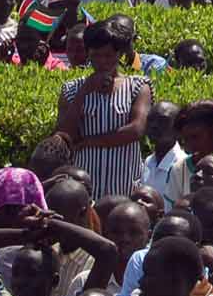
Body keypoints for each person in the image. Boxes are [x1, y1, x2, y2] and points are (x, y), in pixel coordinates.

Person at [55, 20, 151, 198]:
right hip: (85, 189)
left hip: (124, 187)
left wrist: (88, 142)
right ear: (88, 54)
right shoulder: (72, 89)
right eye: (96, 55)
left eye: (108, 55)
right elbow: (65, 134)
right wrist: (85, 90)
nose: (102, 61)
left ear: (119, 54)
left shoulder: (137, 86)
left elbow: (136, 130)